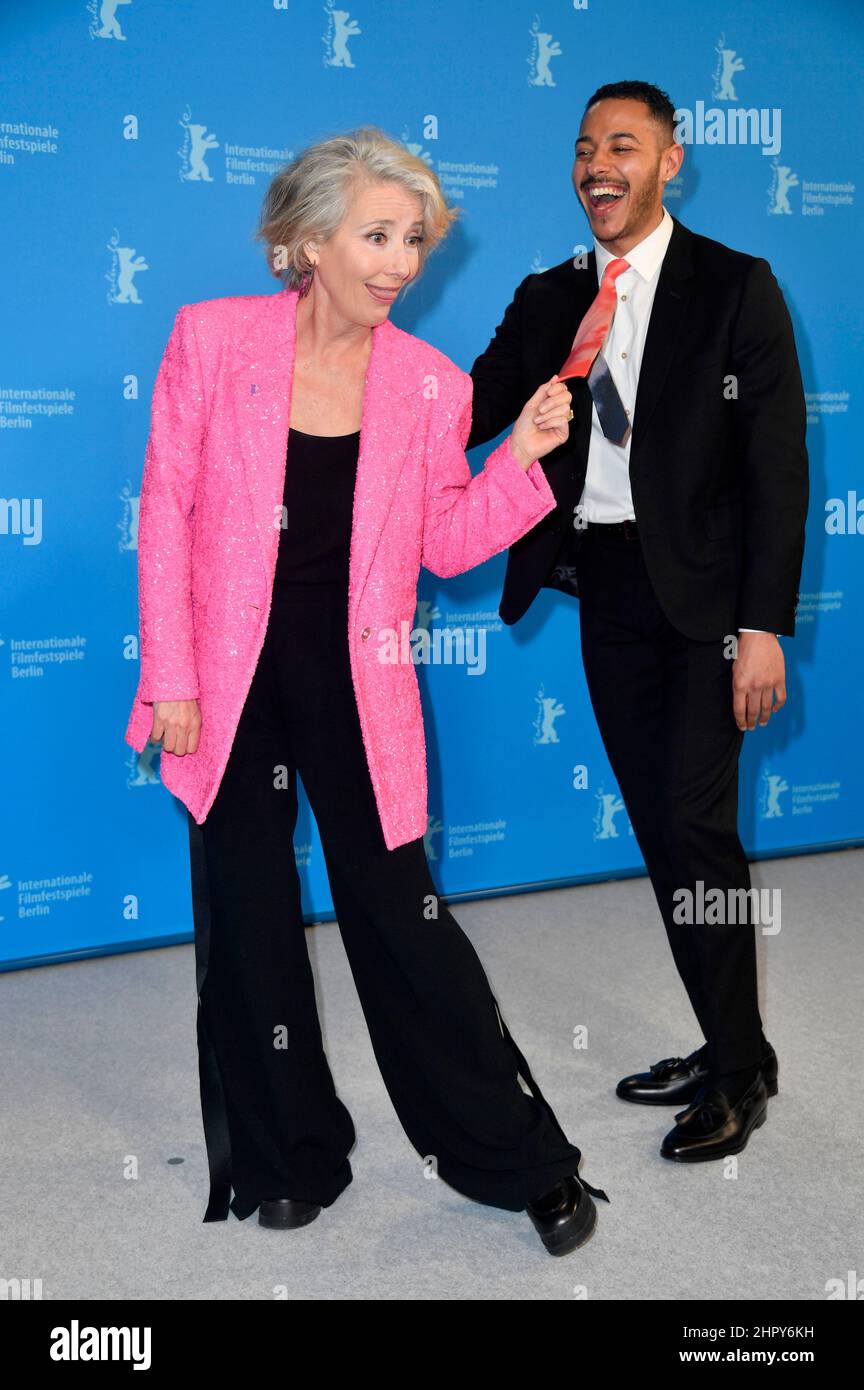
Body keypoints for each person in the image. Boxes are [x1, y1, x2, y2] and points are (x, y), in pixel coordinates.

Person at [124, 126, 609, 1255]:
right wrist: (176, 678)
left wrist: (523, 458)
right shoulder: (210, 339)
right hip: (228, 684)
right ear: (305, 241)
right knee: (246, 918)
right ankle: (290, 1153)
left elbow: (441, 544)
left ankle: (518, 1157)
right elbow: (168, 518)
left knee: (407, 924)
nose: (401, 261)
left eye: (415, 240)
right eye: (377, 234)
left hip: (359, 683)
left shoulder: (431, 386)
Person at [467, 82, 809, 1163]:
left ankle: (742, 1064)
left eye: (622, 145)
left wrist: (763, 628)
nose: (596, 164)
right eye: (582, 149)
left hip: (708, 607)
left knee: (695, 824)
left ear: (672, 157)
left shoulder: (736, 288)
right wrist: (343, 357)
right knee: (665, 830)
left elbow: (776, 473)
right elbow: (466, 408)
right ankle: (725, 1044)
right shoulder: (547, 296)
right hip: (606, 590)